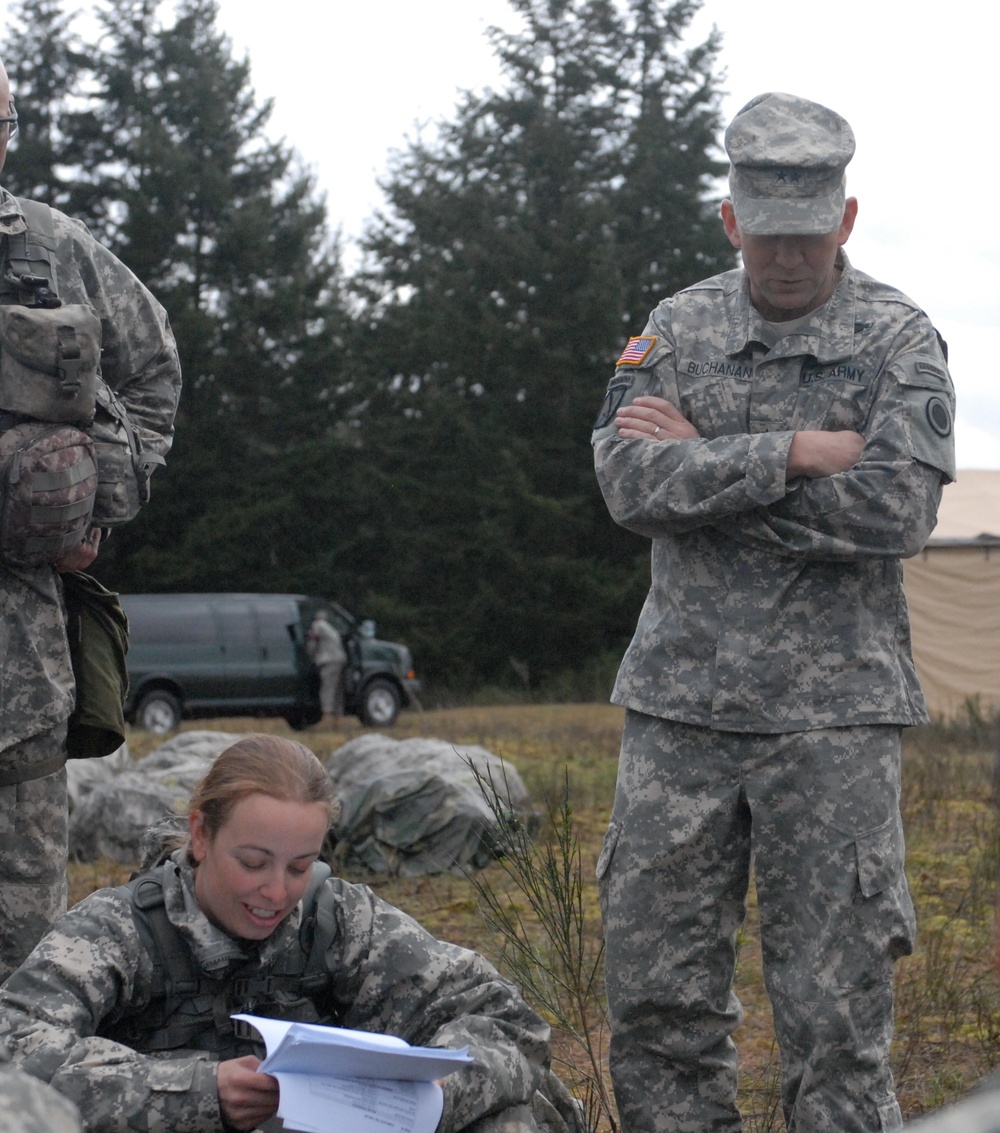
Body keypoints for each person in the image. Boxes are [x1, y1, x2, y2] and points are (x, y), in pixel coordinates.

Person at [592, 92, 956, 1133]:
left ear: (842, 222)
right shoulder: (677, 325)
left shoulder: (897, 340)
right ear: (729, 221)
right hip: (680, 714)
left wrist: (700, 465)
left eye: (806, 236)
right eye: (765, 237)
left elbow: (894, 509)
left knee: (835, 1015)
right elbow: (626, 485)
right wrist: (790, 451)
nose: (786, 258)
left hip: (831, 724)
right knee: (658, 1001)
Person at [0, 735, 581, 1133]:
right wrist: (198, 1093)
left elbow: (509, 1025)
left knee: (515, 1110)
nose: (277, 893)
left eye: (300, 867)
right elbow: (13, 1051)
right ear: (200, 836)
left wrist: (419, 1101)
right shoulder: (117, 931)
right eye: (253, 863)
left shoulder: (340, 921)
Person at [0, 55, 182, 980]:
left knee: (23, 964)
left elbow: (151, 367)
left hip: (16, 690)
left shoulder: (49, 248)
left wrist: (103, 493)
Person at [306, 608, 347, 727]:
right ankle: (339, 718)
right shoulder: (331, 628)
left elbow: (312, 643)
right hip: (340, 659)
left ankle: (327, 717)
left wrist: (311, 656)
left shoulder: (317, 625)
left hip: (328, 660)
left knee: (327, 689)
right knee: (337, 690)